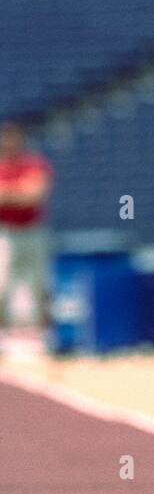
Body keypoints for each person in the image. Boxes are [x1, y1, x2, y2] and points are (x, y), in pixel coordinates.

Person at [0, 121, 53, 336]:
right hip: (5, 233)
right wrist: (20, 192)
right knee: (2, 285)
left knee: (40, 286)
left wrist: (7, 194)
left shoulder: (34, 164)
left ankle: (45, 336)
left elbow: (35, 194)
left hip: (33, 232)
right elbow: (26, 193)